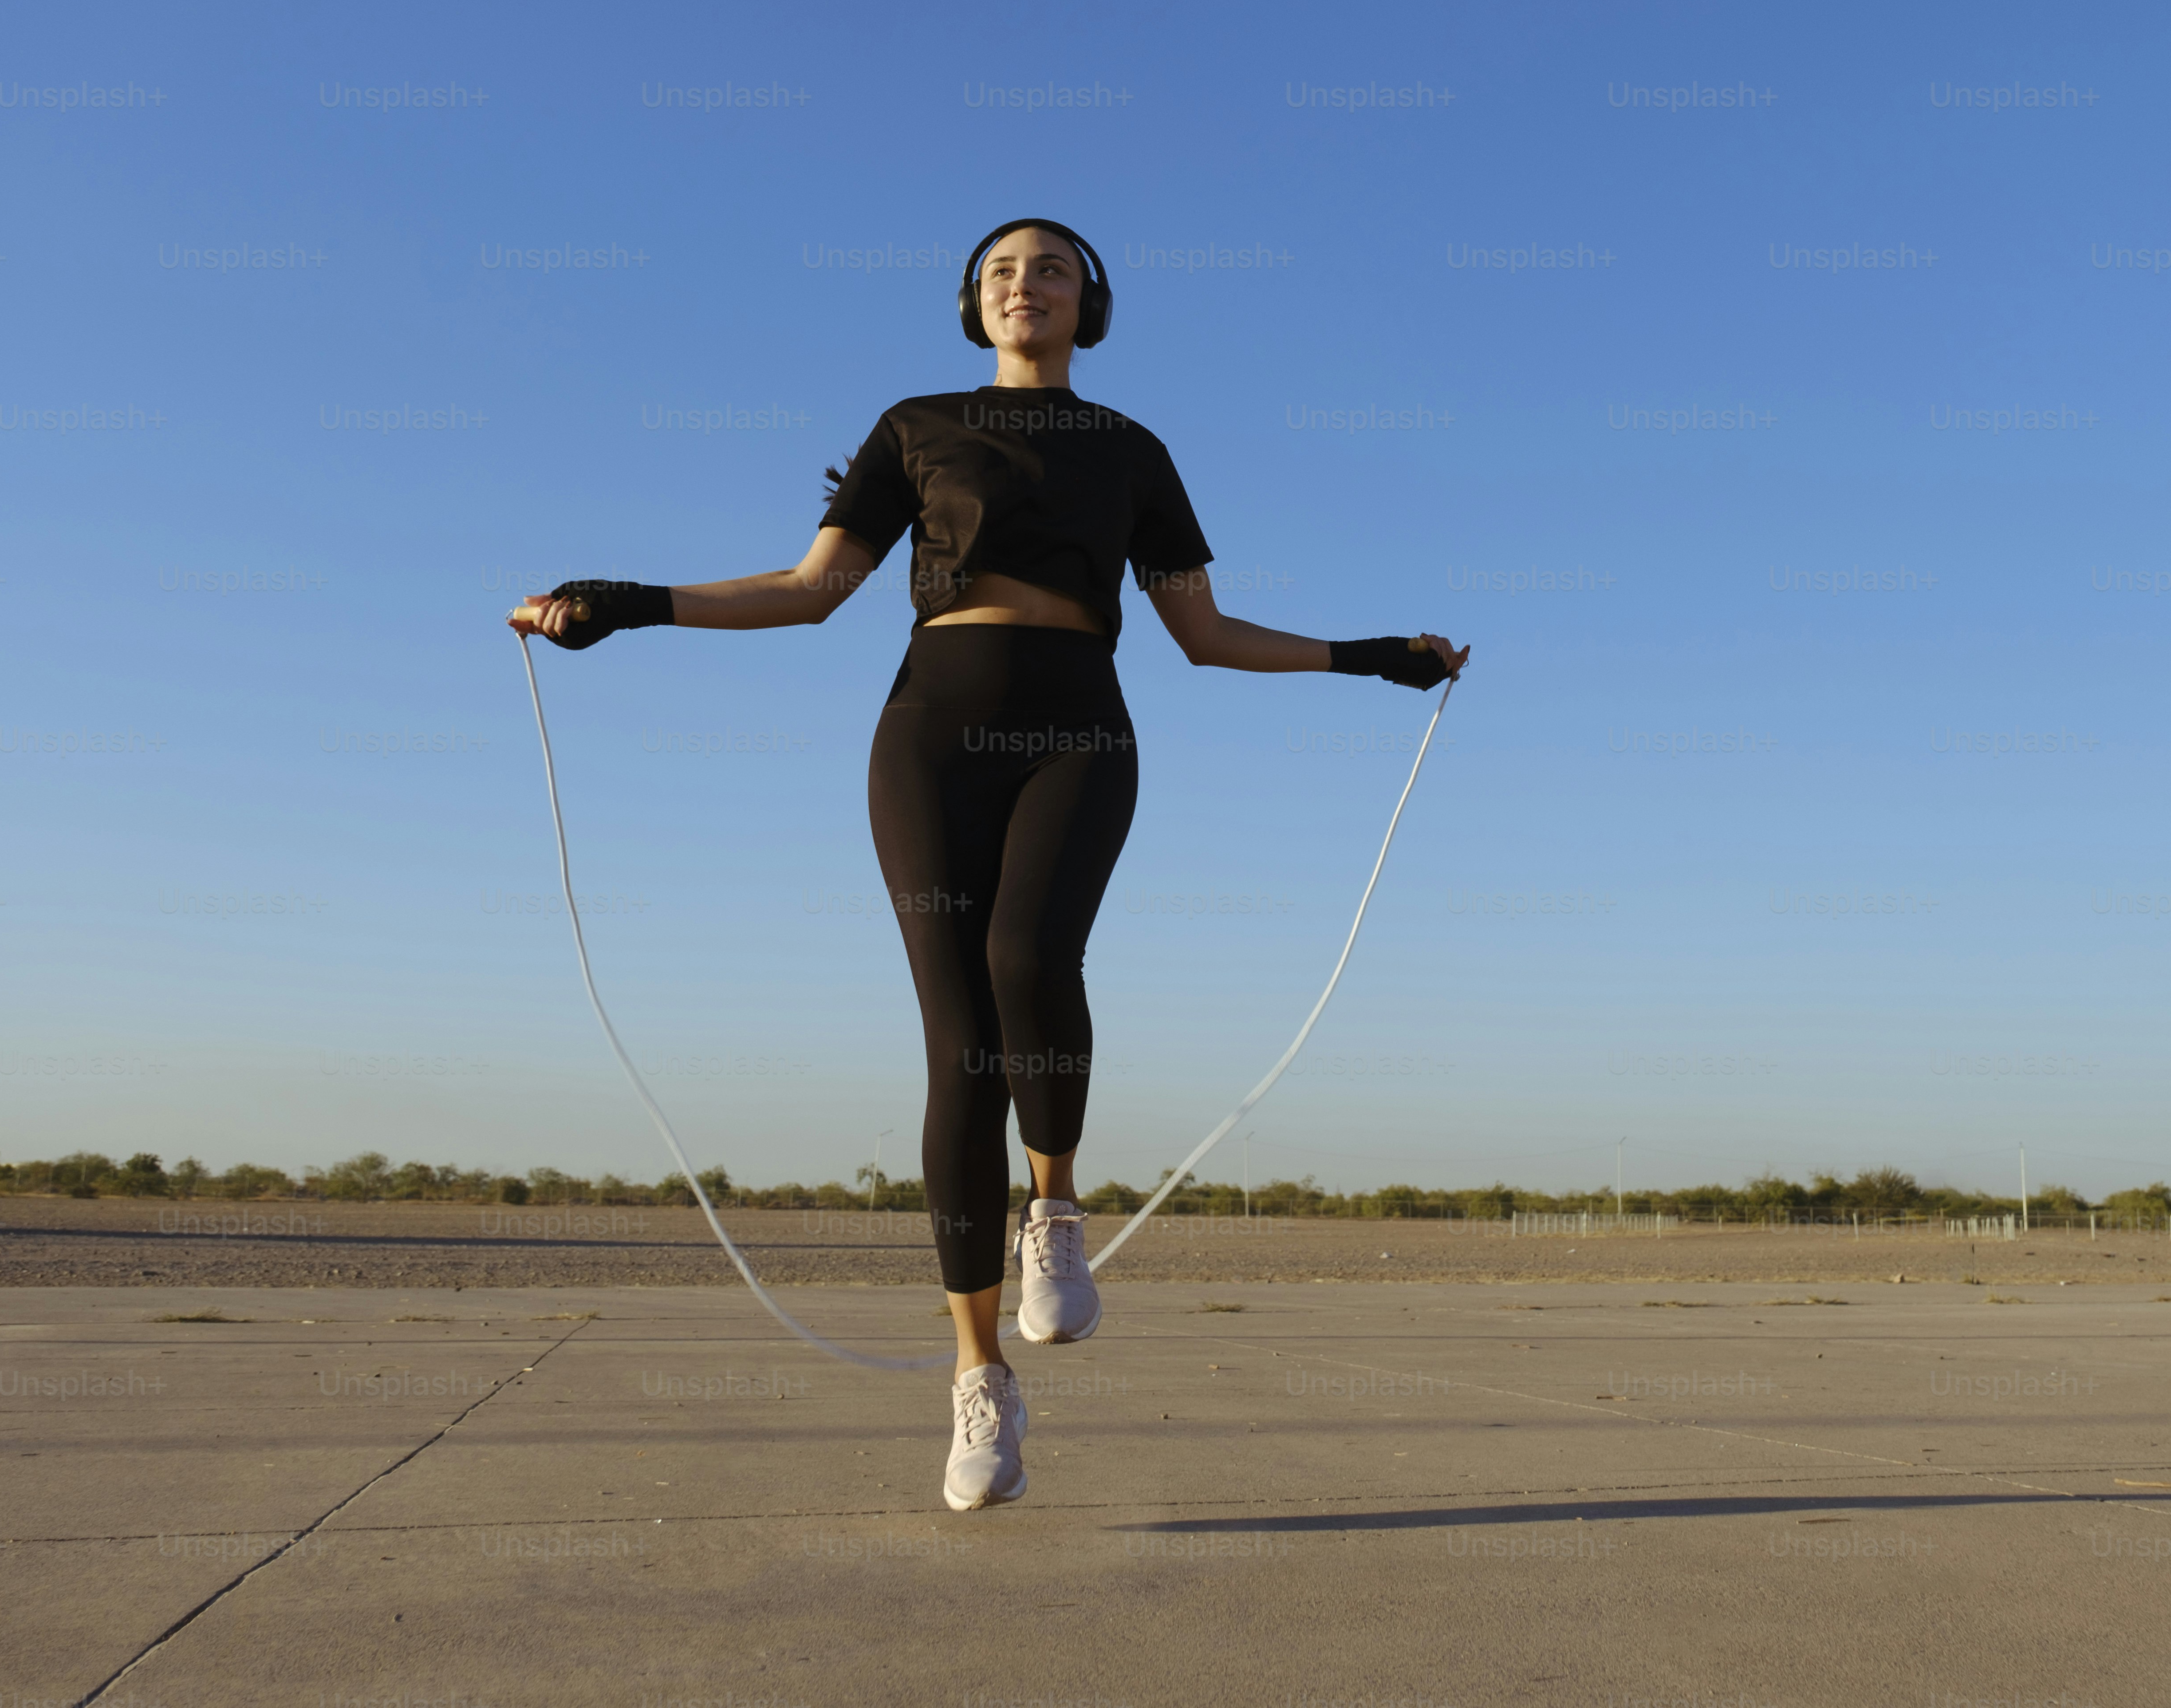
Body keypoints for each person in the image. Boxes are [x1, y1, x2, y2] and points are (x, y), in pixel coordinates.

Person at [508, 218, 1466, 1511]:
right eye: (1003, 271)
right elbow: (809, 589)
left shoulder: (1131, 448)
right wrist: (622, 605)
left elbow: (1201, 631)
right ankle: (980, 1381)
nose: (1028, 284)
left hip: (1078, 727)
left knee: (1029, 955)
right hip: (930, 732)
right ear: (974, 305)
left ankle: (1053, 1213)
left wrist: (1373, 658)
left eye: (1053, 268)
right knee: (958, 1047)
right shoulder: (916, 428)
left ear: (1090, 305)